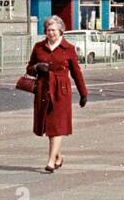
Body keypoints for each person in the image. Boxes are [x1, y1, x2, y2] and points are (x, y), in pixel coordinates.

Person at [27, 15, 88, 173]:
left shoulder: (68, 48)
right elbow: (29, 69)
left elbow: (76, 72)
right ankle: (58, 156)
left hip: (61, 91)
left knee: (57, 126)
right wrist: (37, 68)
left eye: (53, 30)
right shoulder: (39, 47)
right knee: (49, 126)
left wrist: (83, 93)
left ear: (61, 31)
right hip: (43, 89)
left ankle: (50, 161)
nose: (51, 33)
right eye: (48, 30)